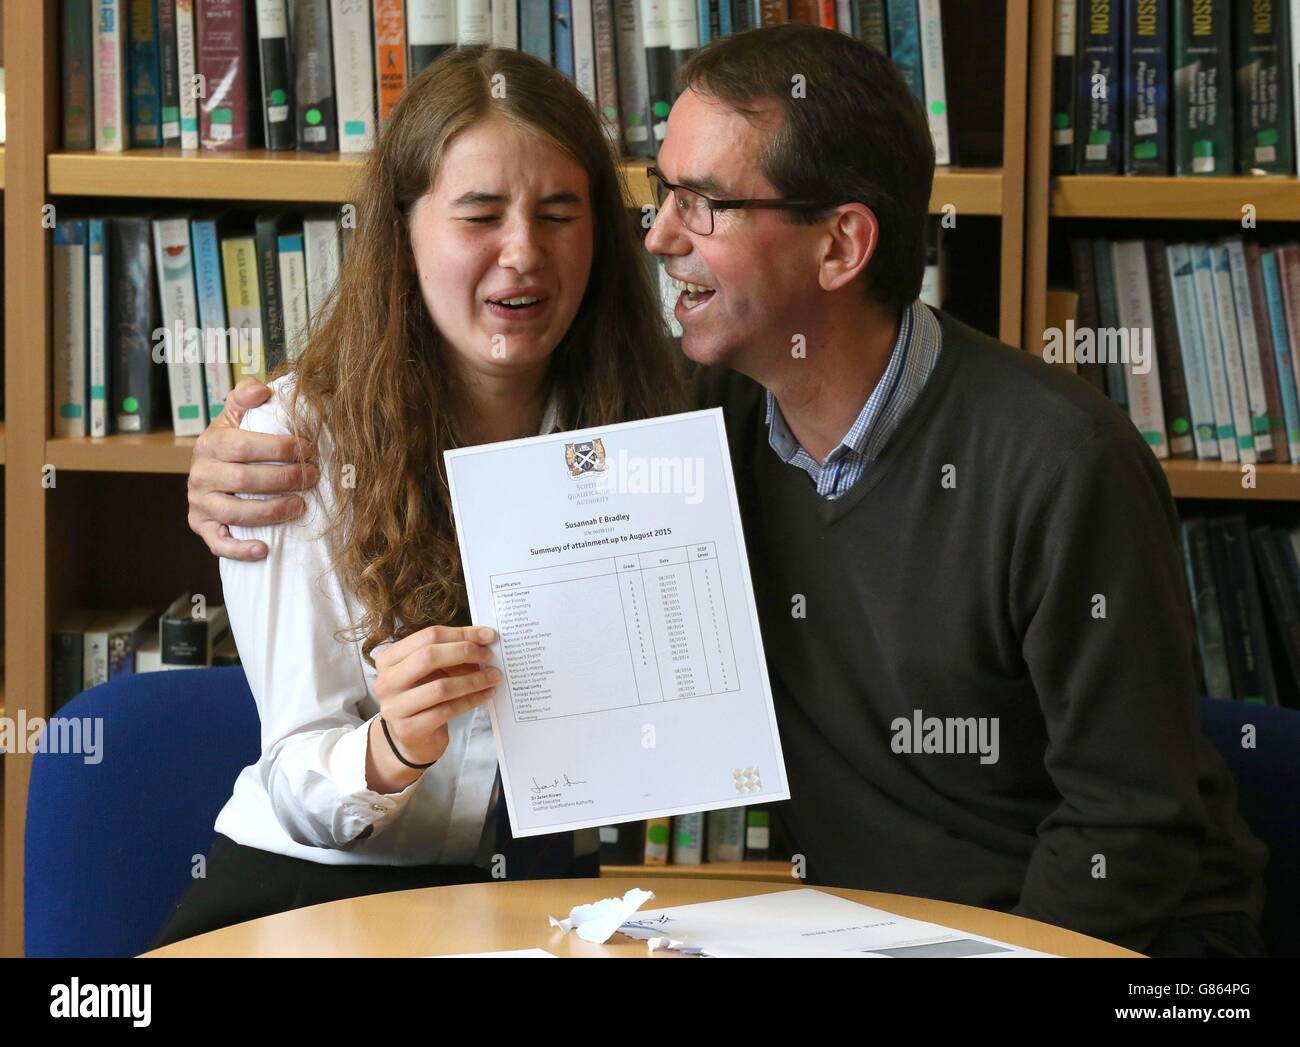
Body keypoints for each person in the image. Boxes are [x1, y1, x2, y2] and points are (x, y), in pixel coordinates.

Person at [185, 26, 1268, 957]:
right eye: (659, 197)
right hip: (857, 923)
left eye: (700, 204)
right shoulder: (694, 426)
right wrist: (224, 460)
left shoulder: (1055, 459)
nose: (655, 238)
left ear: (841, 243)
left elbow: (1131, 832)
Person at [153, 45, 687, 949]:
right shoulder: (293, 443)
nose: (525, 253)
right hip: (312, 897)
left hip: (540, 897)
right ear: (402, 231)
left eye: (561, 213)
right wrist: (393, 749)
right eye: (479, 214)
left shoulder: (654, 427)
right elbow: (293, 771)